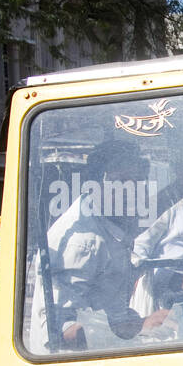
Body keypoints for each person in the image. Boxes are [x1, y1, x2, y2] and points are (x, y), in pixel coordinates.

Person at [29, 141, 170, 351]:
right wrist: (140, 326)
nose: (127, 191)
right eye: (119, 182)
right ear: (95, 183)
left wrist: (148, 321)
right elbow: (62, 331)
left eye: (136, 182)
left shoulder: (107, 223)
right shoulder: (81, 242)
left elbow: (111, 313)